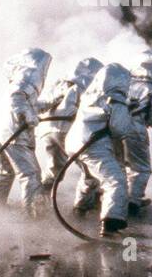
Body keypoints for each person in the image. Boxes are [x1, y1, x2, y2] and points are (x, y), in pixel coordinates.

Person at [65, 62, 136, 237]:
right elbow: (120, 129)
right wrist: (127, 112)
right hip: (93, 146)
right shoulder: (116, 100)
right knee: (115, 180)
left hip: (74, 144)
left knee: (90, 177)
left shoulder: (91, 95)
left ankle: (80, 210)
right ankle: (111, 224)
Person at [0, 48, 52, 218]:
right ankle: (33, 215)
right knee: (30, 173)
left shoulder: (19, 79)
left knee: (5, 170)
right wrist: (29, 118)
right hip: (14, 133)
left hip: (3, 131)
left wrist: (50, 103)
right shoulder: (28, 77)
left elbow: (26, 103)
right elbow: (17, 100)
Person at [37, 57, 103, 194]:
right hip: (69, 131)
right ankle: (84, 207)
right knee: (91, 169)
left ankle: (38, 201)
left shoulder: (62, 84)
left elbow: (43, 103)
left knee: (54, 169)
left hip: (48, 131)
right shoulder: (89, 86)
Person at [122, 47, 152, 215]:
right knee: (140, 168)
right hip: (135, 129)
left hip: (112, 127)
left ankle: (111, 201)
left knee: (118, 166)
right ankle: (133, 202)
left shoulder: (124, 82)